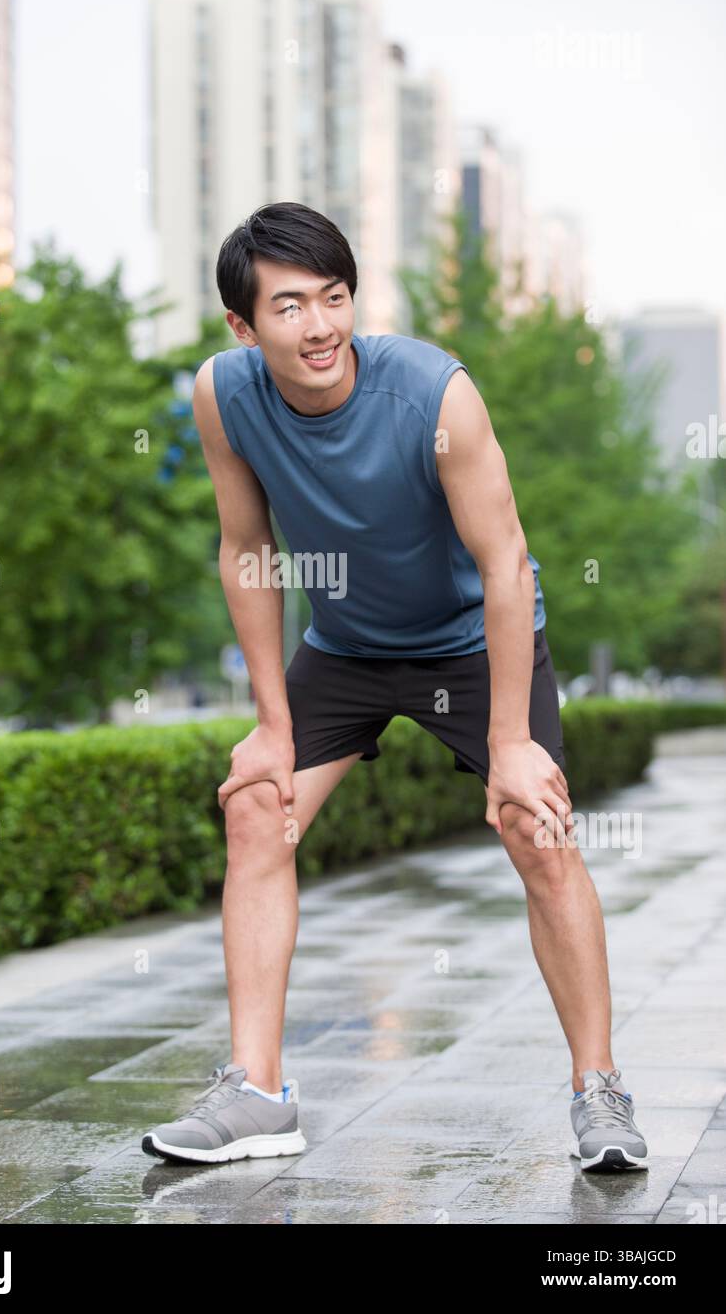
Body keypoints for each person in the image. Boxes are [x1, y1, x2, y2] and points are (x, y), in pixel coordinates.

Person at [142, 202, 648, 1174]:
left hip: (470, 637)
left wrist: (509, 741)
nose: (321, 325)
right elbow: (245, 548)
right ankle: (255, 1091)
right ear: (242, 329)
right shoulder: (222, 395)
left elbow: (504, 561)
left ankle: (598, 1090)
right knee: (257, 811)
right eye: (289, 307)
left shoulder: (431, 392)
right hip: (347, 644)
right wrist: (268, 724)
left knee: (536, 831)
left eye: (334, 297)